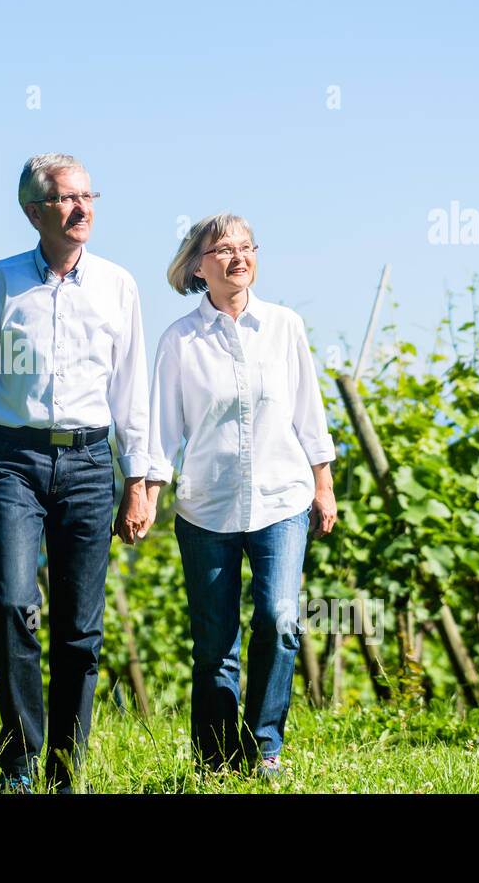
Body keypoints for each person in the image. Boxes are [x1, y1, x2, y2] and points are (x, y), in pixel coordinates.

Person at [0, 153, 157, 793]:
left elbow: (131, 391)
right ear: (35, 212)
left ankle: (67, 772)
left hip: (92, 463)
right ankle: (19, 763)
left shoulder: (119, 285)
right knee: (11, 603)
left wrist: (140, 480)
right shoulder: (0, 283)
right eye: (66, 199)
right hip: (13, 458)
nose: (81, 208)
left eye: (88, 196)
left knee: (80, 627)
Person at [147, 212, 337, 779]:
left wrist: (323, 484)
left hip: (282, 500)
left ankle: (265, 750)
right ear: (198, 266)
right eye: (223, 249)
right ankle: (215, 763)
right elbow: (162, 429)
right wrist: (147, 492)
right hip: (206, 508)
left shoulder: (284, 326)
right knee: (214, 647)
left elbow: (308, 410)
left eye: (246, 247)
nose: (238, 257)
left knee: (279, 619)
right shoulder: (179, 340)